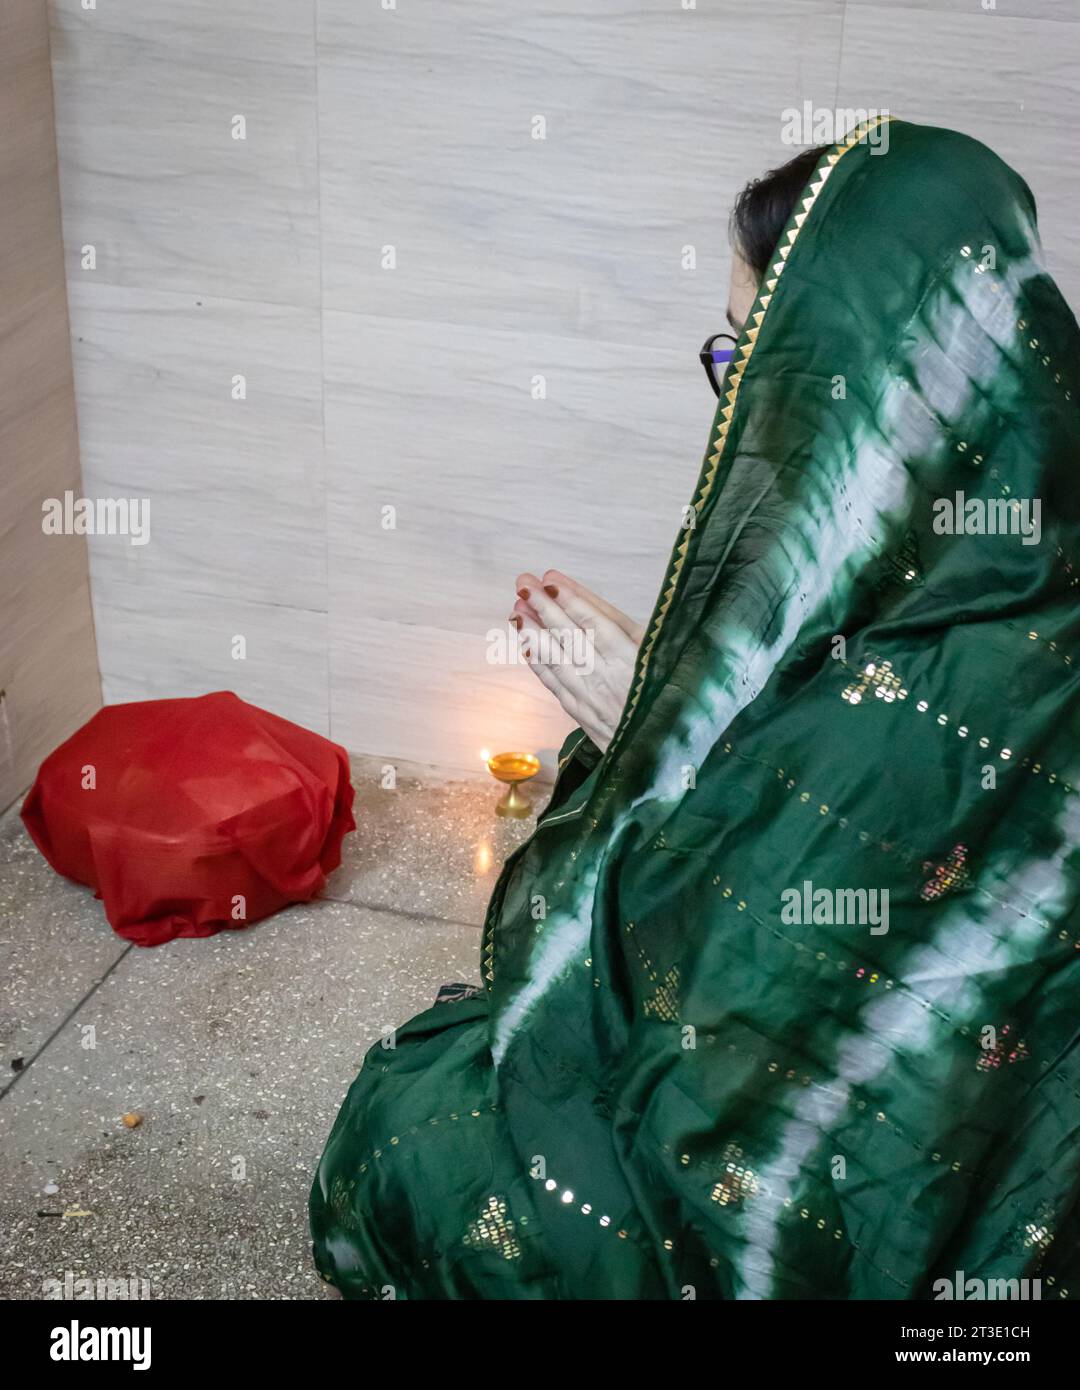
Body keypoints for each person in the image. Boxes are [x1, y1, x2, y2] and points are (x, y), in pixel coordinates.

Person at [311, 117, 1080, 1299]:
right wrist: (681, 713)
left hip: (872, 1188)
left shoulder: (969, 675)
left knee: (412, 1152)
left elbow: (774, 983)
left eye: (753, 360)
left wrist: (656, 749)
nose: (733, 408)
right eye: (726, 360)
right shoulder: (998, 544)